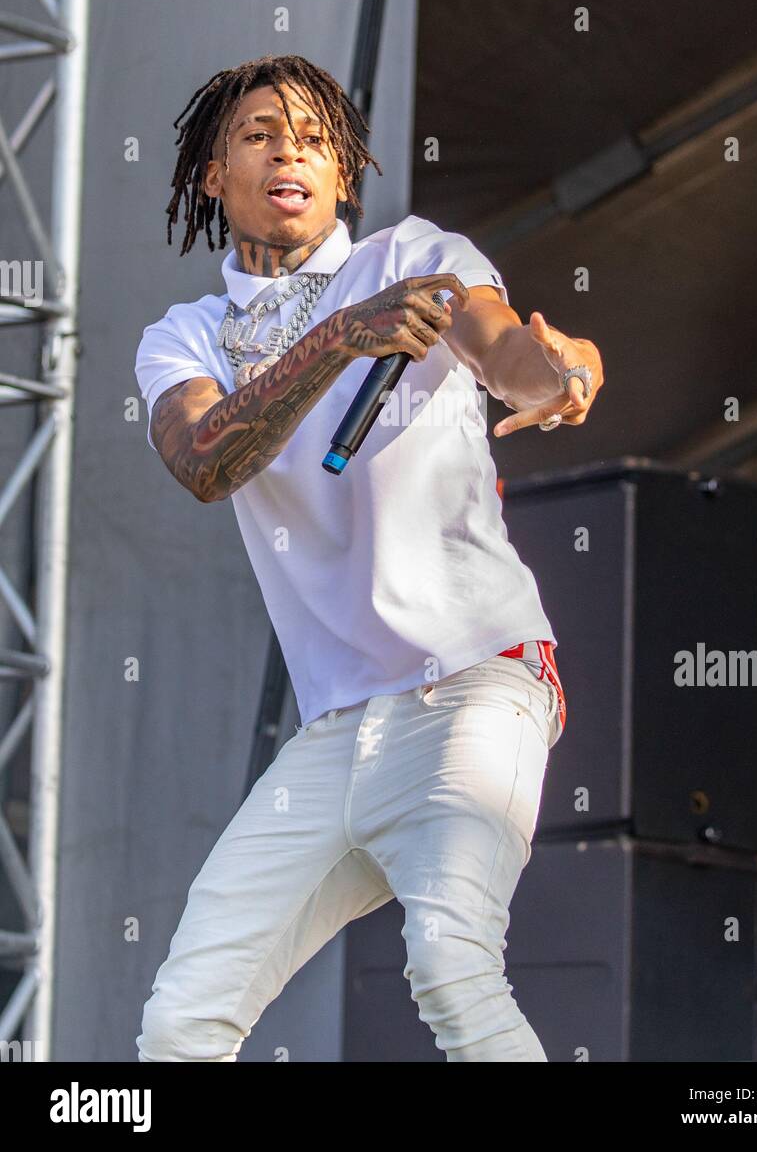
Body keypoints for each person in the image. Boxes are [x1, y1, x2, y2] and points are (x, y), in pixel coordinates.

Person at [133, 53, 603, 1062]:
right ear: (213, 175)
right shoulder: (186, 337)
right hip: (334, 733)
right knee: (180, 1021)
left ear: (343, 176)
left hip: (476, 684)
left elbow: (498, 346)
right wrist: (336, 340)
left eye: (312, 136)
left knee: (448, 961)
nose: (288, 148)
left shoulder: (409, 255)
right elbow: (206, 461)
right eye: (258, 133)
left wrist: (551, 371)